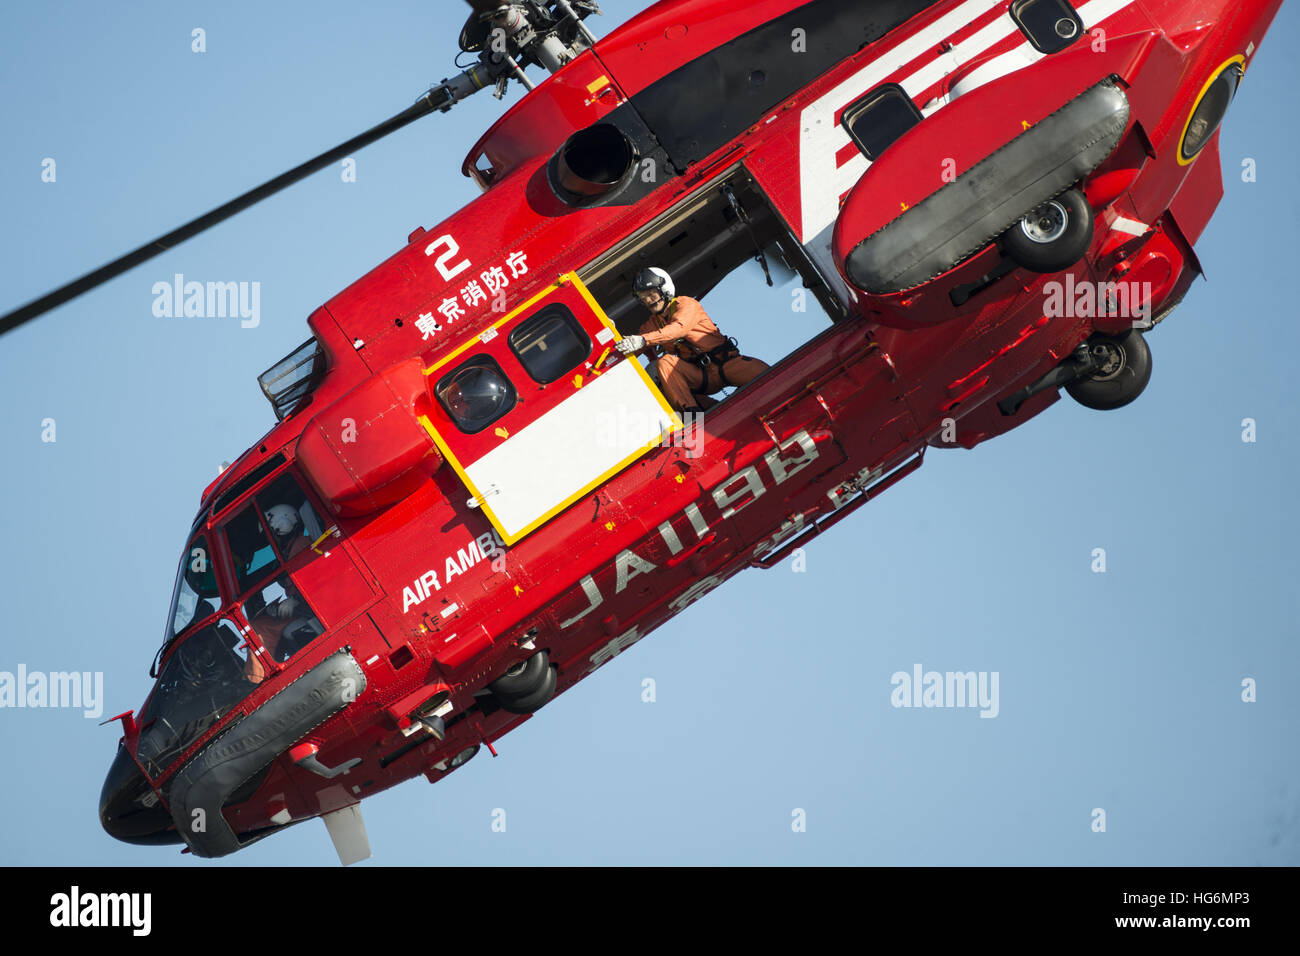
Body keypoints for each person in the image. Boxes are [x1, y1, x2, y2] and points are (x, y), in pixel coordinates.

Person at [614, 267, 768, 412]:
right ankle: (692, 417)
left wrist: (642, 340)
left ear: (664, 290)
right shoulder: (651, 325)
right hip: (700, 376)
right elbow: (628, 346)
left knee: (769, 375)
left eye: (651, 295)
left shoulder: (687, 304)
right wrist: (611, 333)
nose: (648, 301)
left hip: (727, 364)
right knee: (663, 363)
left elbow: (678, 328)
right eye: (643, 298)